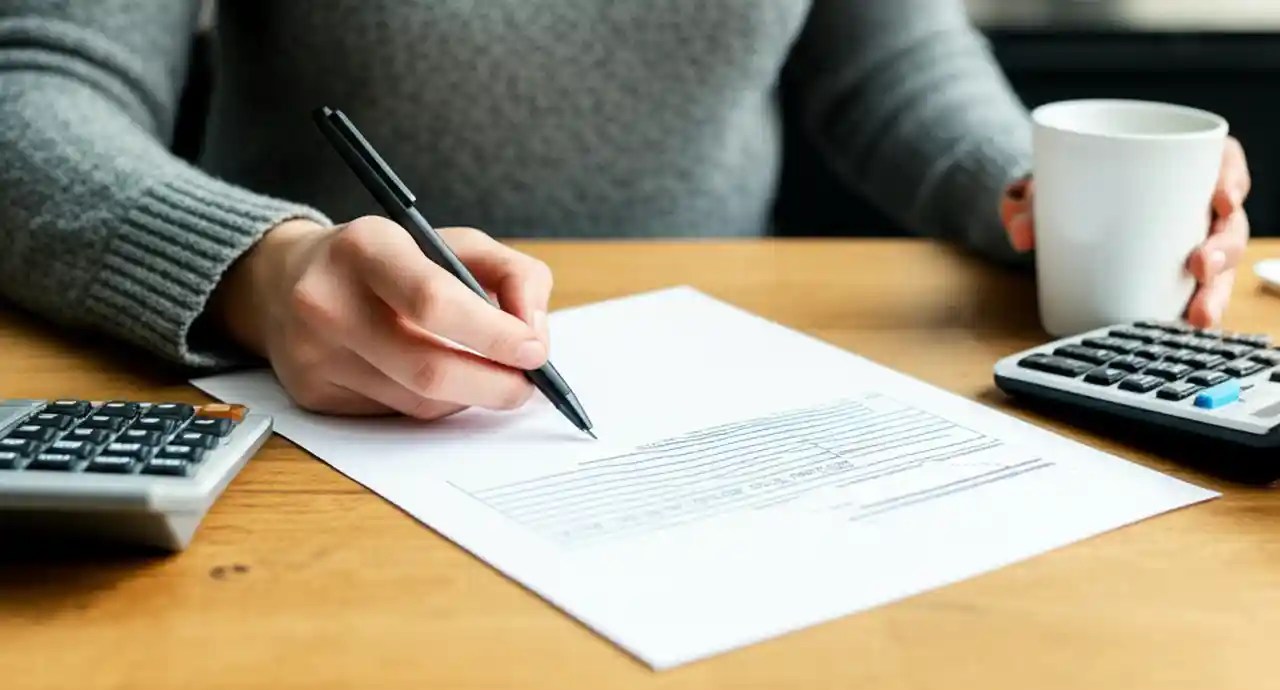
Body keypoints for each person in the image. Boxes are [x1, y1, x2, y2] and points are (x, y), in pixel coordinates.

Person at [0, 1, 1251, 421]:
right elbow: (35, 87)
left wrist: (1039, 191)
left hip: (722, 399)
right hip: (315, 409)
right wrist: (256, 269)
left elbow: (887, 59)